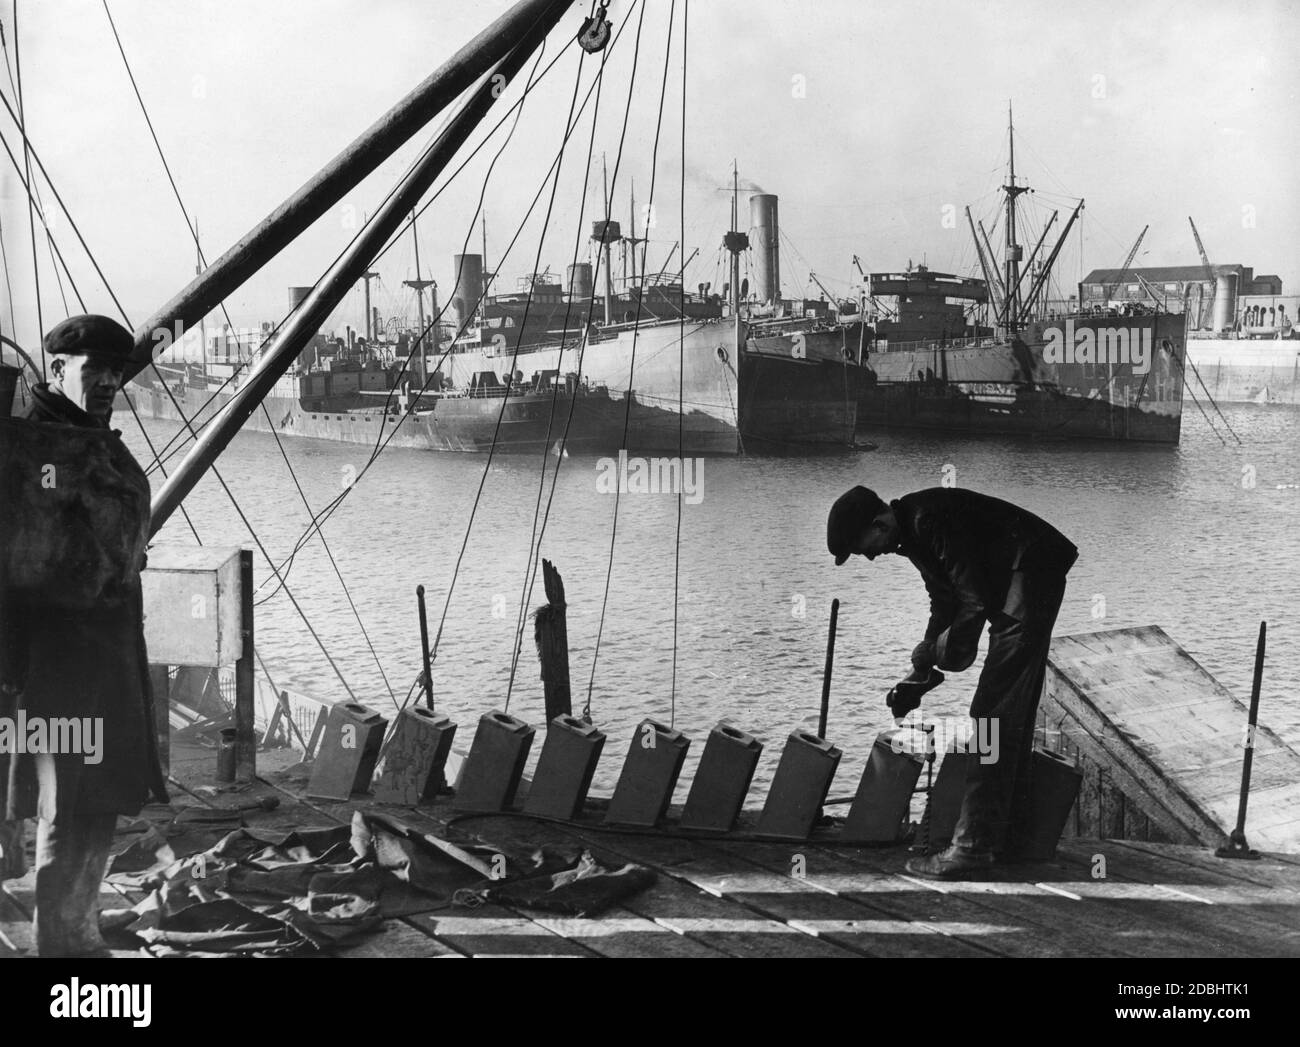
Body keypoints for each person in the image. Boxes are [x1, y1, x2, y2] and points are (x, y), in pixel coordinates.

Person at [0, 314, 169, 955]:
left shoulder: (79, 439)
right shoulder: (41, 448)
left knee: (84, 793)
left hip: (96, 651)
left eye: (115, 373)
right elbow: (37, 559)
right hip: (62, 657)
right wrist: (114, 556)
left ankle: (73, 923)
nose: (107, 383)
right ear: (56, 368)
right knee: (71, 796)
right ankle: (66, 939)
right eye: (93, 369)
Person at [826, 484, 1077, 879]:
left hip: (1031, 572)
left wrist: (941, 656)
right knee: (1004, 719)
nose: (870, 557)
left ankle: (973, 848)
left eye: (864, 548)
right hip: (1022, 576)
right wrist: (921, 673)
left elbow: (973, 602)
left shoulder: (927, 520)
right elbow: (944, 601)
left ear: (878, 524)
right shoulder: (912, 532)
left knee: (993, 718)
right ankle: (1006, 843)